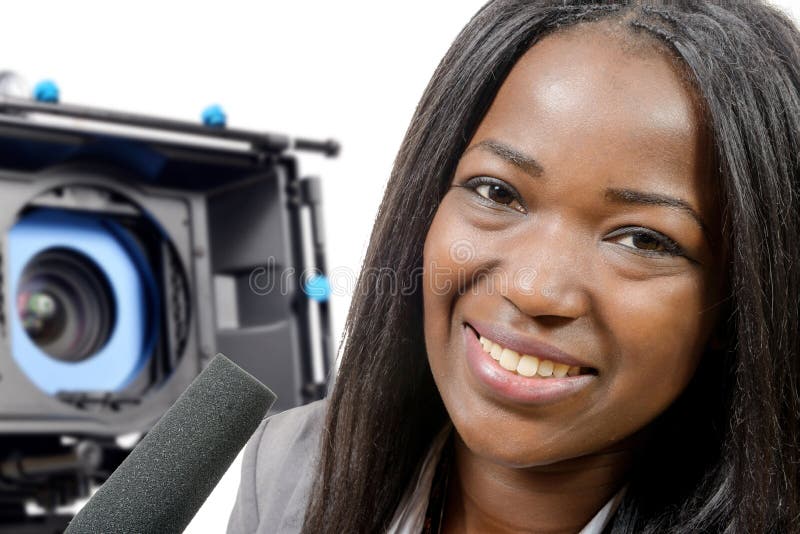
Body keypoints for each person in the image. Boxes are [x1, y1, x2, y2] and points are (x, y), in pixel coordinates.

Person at [227, 1, 800, 532]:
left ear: (739, 302)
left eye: (644, 240)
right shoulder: (290, 470)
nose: (532, 289)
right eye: (496, 192)